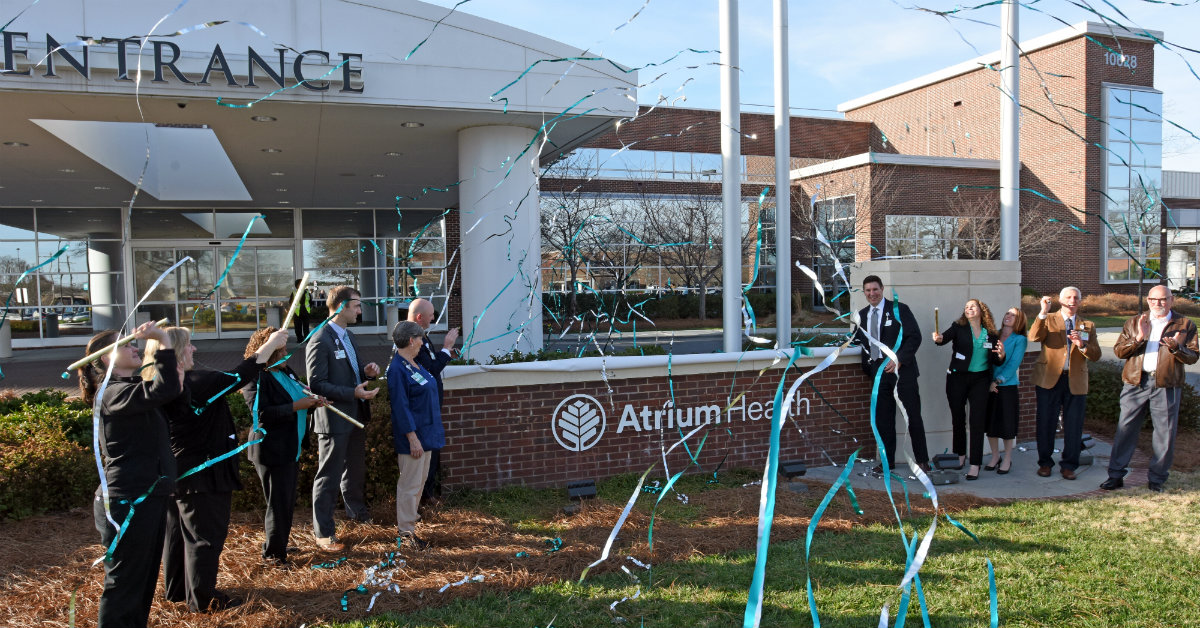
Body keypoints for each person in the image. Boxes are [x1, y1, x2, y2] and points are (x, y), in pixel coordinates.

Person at [143, 325, 288, 612]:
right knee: (204, 538)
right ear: (173, 353)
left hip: (175, 472)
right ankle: (203, 600)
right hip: (203, 477)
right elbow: (240, 375)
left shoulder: (157, 382)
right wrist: (271, 344)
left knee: (177, 535)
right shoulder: (195, 382)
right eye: (188, 345)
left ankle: (177, 591)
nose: (194, 349)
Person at [78, 321, 181, 628]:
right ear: (106, 358)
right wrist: (162, 341)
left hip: (147, 495)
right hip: (127, 501)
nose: (134, 346)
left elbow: (169, 391)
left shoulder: (129, 389)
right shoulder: (111, 393)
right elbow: (164, 388)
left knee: (143, 578)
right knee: (124, 582)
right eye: (126, 345)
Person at [241, 327, 328, 566]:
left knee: (285, 501)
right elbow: (261, 414)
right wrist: (297, 406)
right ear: (267, 352)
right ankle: (274, 556)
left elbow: (298, 396)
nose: (286, 354)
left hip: (290, 447)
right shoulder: (256, 378)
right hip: (271, 450)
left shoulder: (286, 371)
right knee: (278, 503)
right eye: (280, 351)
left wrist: (313, 402)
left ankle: (277, 543)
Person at [1102, 285, 1198, 492]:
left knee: (1165, 434)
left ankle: (1157, 479)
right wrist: (1139, 337)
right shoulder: (1135, 322)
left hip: (1166, 385)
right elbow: (1120, 351)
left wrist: (1175, 347)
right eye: (1154, 299)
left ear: (1172, 300)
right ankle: (1116, 475)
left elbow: (1193, 357)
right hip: (1135, 382)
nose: (1158, 304)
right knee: (1125, 430)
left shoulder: (1184, 324)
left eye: (1163, 299)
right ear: (1148, 301)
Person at [306, 285, 380, 551]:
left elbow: (353, 372)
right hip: (334, 418)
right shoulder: (320, 338)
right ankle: (324, 533)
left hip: (354, 415)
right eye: (357, 305)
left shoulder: (348, 337)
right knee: (329, 475)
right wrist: (353, 392)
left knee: (355, 471)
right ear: (341, 306)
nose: (361, 310)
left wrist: (367, 373)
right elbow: (316, 384)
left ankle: (357, 515)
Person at [854, 275, 930, 473]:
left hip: (902, 373)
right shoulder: (861, 315)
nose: (872, 294)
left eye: (875, 289)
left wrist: (899, 360)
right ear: (864, 293)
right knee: (883, 421)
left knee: (912, 417)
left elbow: (915, 337)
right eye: (868, 290)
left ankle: (922, 461)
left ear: (882, 289)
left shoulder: (899, 310)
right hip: (878, 376)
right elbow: (859, 342)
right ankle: (888, 462)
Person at [1029, 286, 1102, 480]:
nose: (1072, 300)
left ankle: (1069, 465)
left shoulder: (1087, 325)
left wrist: (1082, 345)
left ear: (1080, 301)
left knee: (1074, 425)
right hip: (1049, 378)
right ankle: (1045, 463)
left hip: (1075, 380)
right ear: (1061, 300)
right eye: (1068, 297)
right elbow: (1034, 336)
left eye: (1076, 297)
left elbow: (1096, 355)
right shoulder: (1049, 319)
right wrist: (1043, 313)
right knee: (1046, 422)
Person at [387, 320, 445, 548]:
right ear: (411, 340)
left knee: (419, 484)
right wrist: (412, 438)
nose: (423, 343)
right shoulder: (398, 369)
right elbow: (400, 407)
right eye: (420, 339)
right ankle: (405, 534)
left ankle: (410, 526)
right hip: (414, 438)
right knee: (410, 486)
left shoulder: (414, 363)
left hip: (427, 434)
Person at [932, 299, 1005, 480]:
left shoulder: (991, 334)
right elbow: (943, 339)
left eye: (973, 306)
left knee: (977, 421)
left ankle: (975, 464)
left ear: (982, 310)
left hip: (980, 380)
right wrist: (938, 338)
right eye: (966, 307)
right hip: (957, 378)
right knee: (958, 419)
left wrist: (1002, 355)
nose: (969, 309)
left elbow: (996, 361)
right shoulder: (958, 327)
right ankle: (960, 455)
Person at [406, 298, 459, 505]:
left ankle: (428, 495)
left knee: (433, 452)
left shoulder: (422, 336)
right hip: (422, 409)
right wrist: (446, 347)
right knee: (426, 454)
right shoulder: (411, 339)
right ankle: (423, 498)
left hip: (431, 407)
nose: (434, 318)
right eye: (430, 316)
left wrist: (445, 354)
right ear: (419, 317)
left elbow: (430, 361)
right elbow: (430, 369)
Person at [985, 307, 1029, 475]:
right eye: (1007, 313)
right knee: (990, 423)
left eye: (1014, 315)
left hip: (1006, 386)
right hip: (989, 385)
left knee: (1007, 424)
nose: (1008, 316)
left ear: (1019, 321)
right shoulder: (993, 335)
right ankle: (995, 456)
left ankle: (1008, 458)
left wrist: (998, 380)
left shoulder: (1020, 339)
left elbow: (1013, 364)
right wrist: (989, 381)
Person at [289, 279, 314, 343]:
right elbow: (290, 303)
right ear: (297, 285)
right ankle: (299, 339)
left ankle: (306, 338)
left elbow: (310, 302)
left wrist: (309, 309)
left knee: (306, 327)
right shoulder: (294, 293)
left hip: (305, 312)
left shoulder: (307, 293)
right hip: (297, 313)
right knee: (298, 327)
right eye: (300, 284)